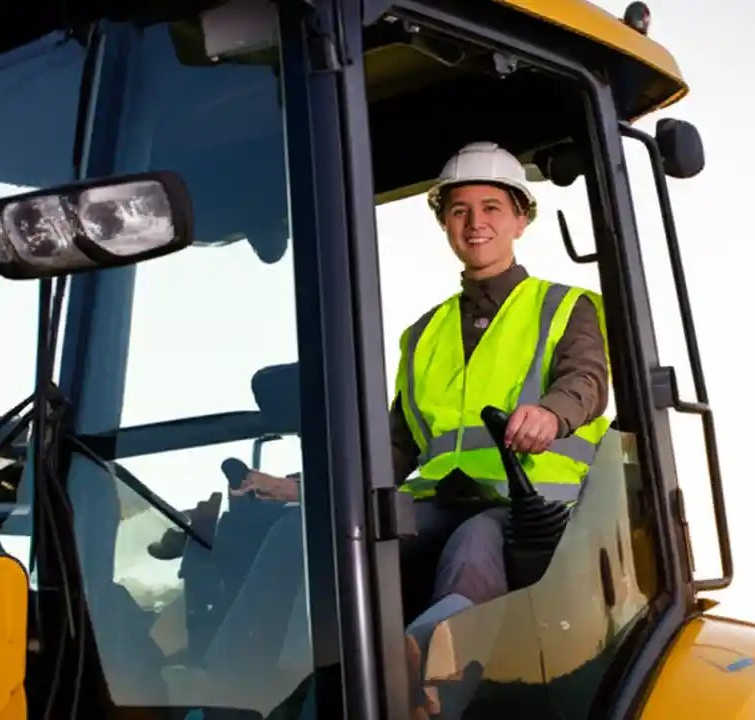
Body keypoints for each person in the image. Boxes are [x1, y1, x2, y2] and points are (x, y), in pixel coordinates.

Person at [235, 140, 611, 713]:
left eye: (491, 208)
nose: (475, 222)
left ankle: (423, 686)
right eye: (459, 210)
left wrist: (551, 413)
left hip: (528, 504)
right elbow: (395, 442)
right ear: (444, 224)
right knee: (311, 535)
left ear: (520, 219)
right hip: (436, 497)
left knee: (477, 542)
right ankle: (273, 686)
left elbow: (585, 380)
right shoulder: (423, 333)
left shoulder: (565, 306)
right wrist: (303, 488)